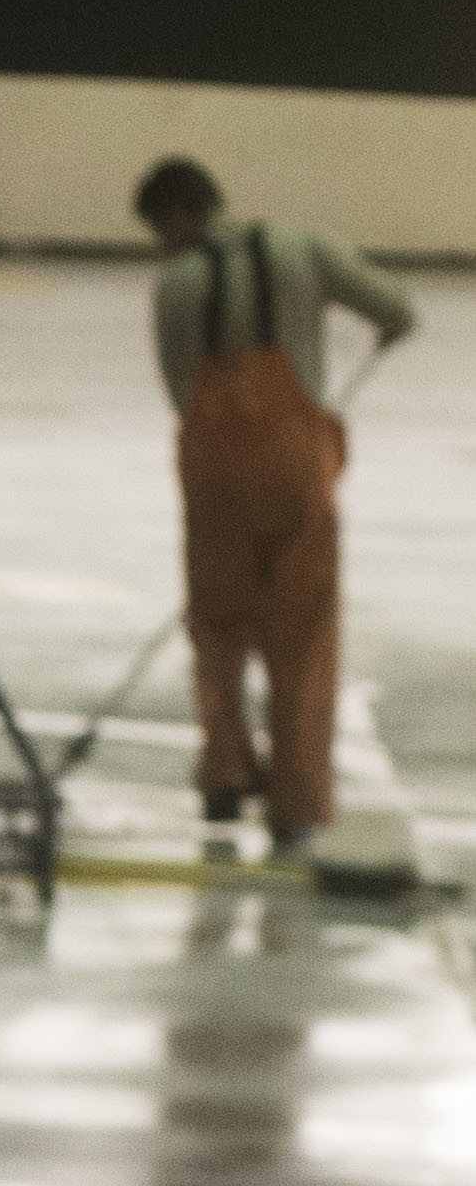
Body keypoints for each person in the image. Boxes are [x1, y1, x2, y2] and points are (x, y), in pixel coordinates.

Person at [136, 156, 414, 862]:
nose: (159, 247)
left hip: (212, 476)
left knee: (217, 624)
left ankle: (224, 775)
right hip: (293, 470)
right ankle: (294, 804)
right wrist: (379, 334)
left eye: (157, 232)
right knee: (301, 633)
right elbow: (396, 309)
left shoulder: (173, 285)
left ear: (178, 216)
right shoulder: (301, 249)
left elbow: (180, 391)